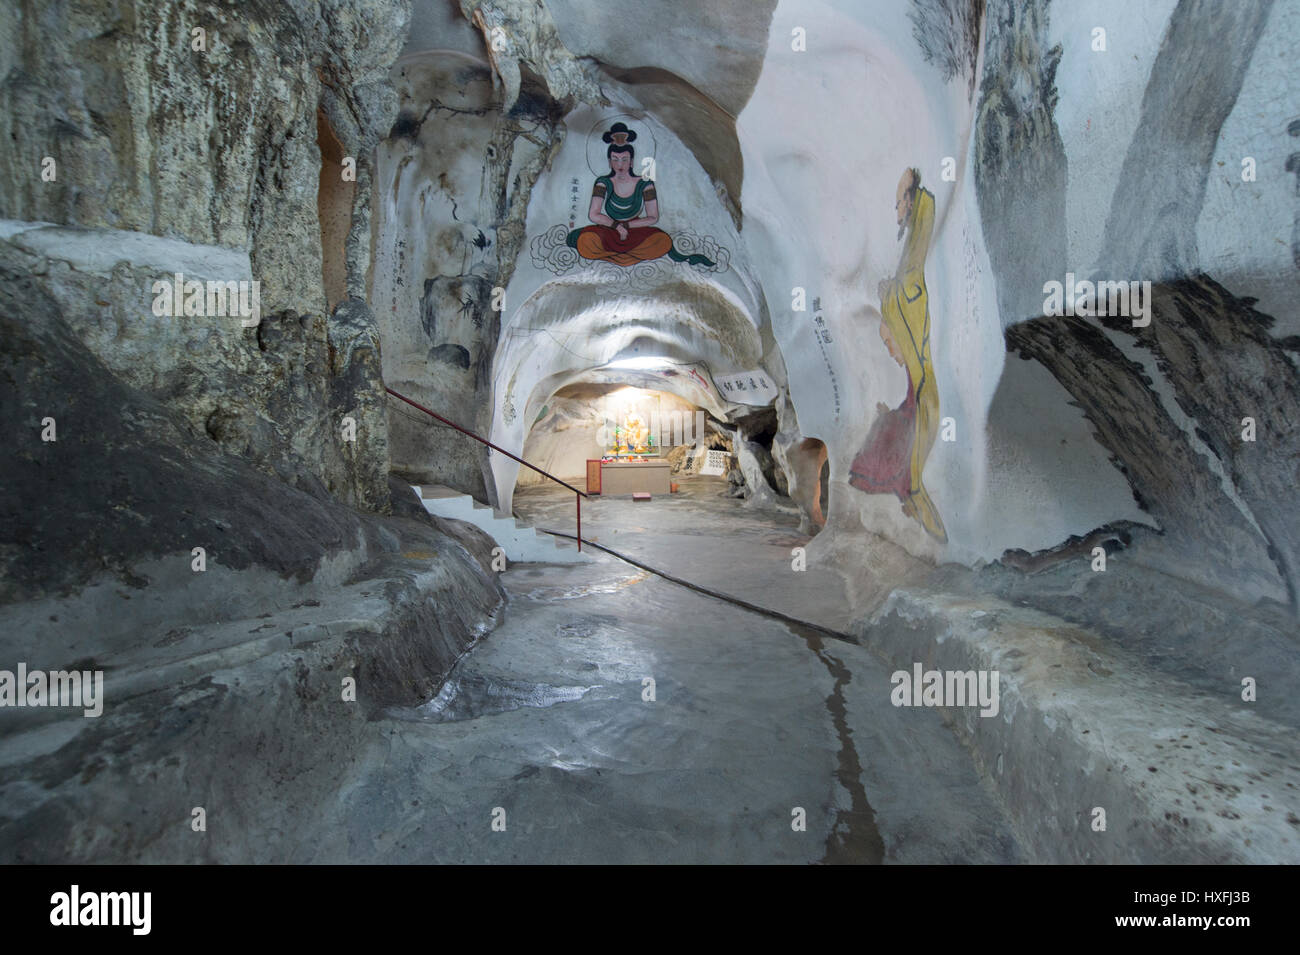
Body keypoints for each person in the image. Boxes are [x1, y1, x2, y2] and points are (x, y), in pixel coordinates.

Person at [848, 167, 947, 542]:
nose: (889, 351)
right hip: (914, 402)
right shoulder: (902, 293)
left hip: (924, 401)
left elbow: (918, 248)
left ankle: (929, 524)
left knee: (915, 483)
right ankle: (918, 511)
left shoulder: (909, 293)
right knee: (891, 438)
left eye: (898, 204)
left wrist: (919, 199)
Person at [566, 123, 715, 267]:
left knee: (662, 241)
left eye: (624, 159)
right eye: (615, 159)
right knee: (587, 240)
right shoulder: (603, 183)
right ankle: (626, 259)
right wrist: (617, 226)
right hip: (609, 231)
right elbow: (594, 214)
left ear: (631, 161)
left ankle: (616, 258)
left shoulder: (645, 184)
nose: (620, 165)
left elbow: (653, 217)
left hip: (635, 231)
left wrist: (627, 225)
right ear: (609, 162)